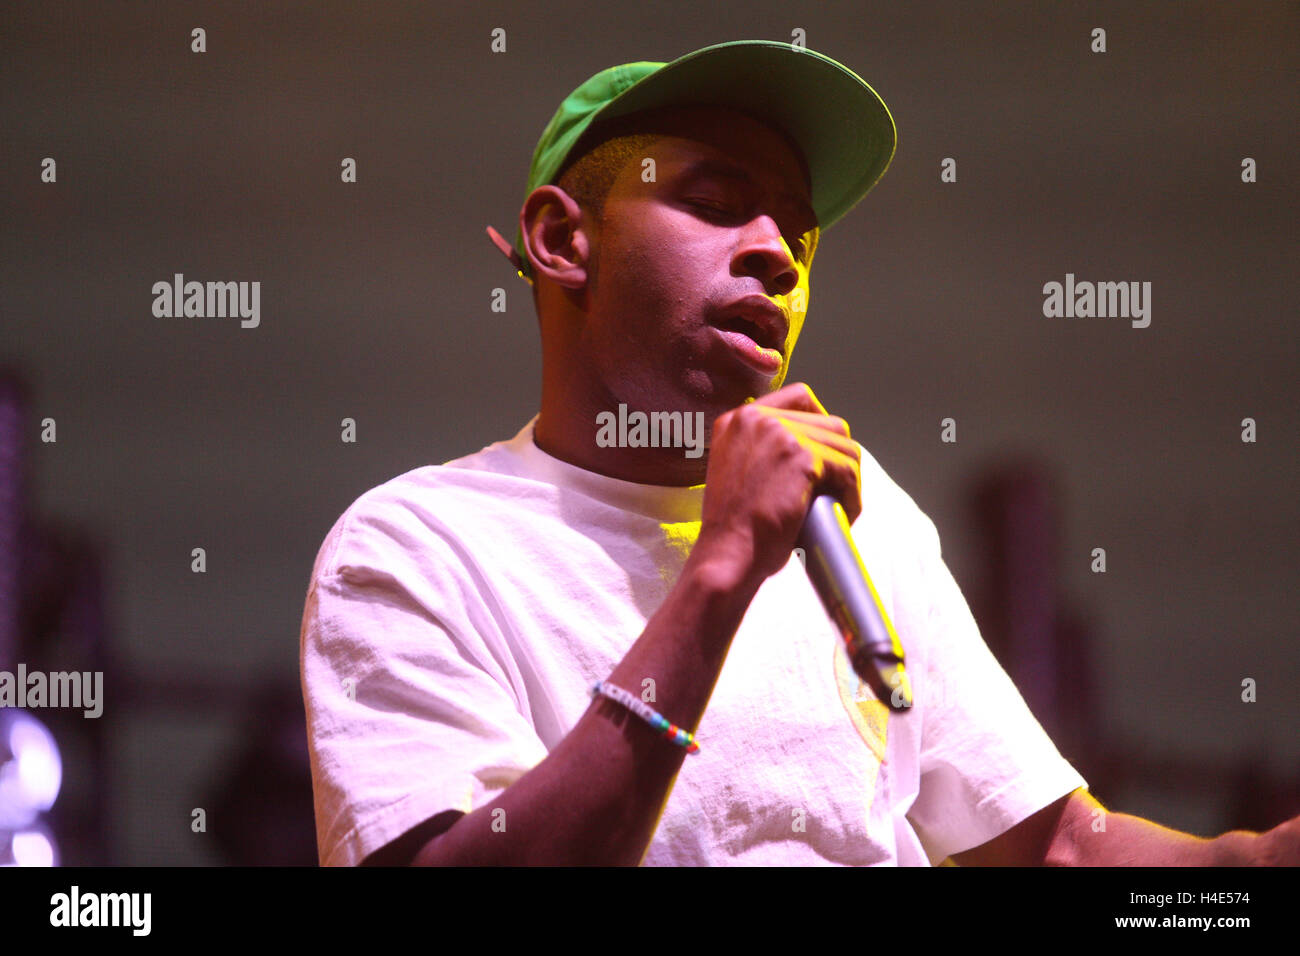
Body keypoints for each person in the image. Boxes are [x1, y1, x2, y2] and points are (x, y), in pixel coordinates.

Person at [299, 40, 1296, 866]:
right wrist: (722, 564)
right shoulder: (414, 546)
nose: (778, 254)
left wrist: (1252, 868)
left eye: (802, 236)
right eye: (719, 201)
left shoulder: (867, 522)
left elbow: (1061, 851)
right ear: (564, 239)